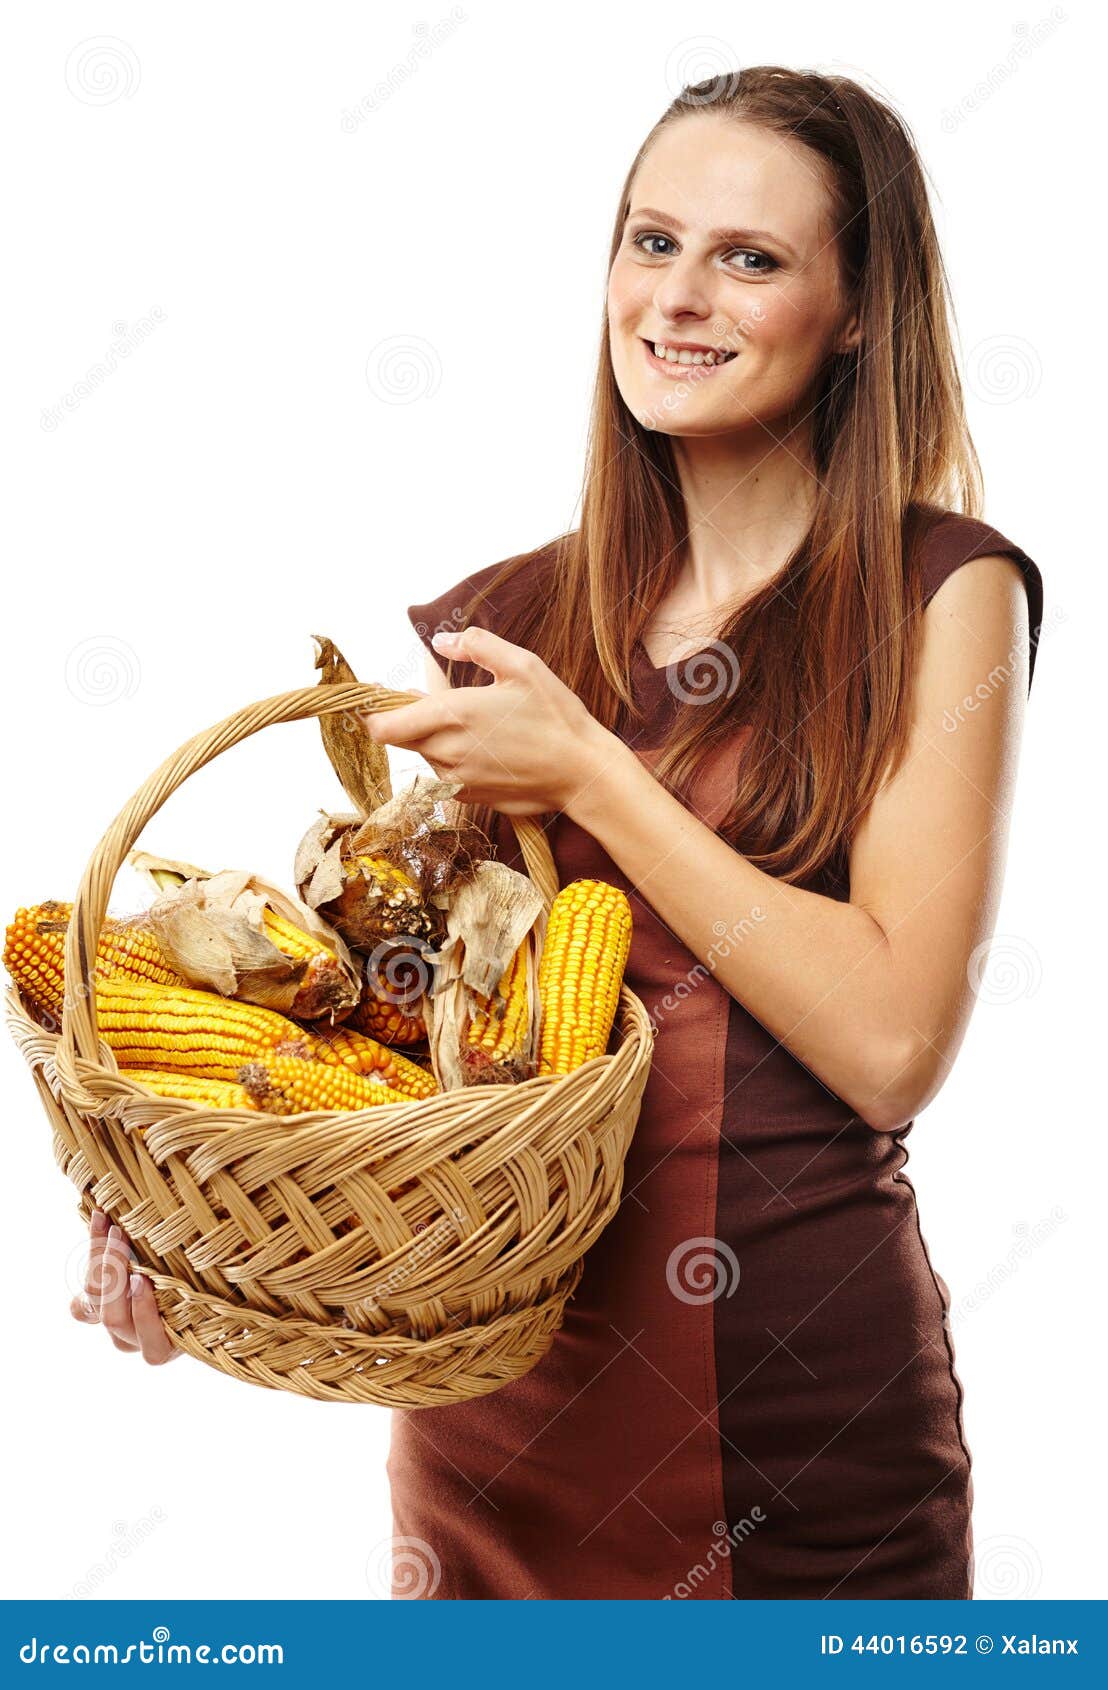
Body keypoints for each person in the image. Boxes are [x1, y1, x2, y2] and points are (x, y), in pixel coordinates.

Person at [75, 64, 1044, 1601]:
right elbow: (388, 1040)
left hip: (792, 1434)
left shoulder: (943, 592)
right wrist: (201, 1239)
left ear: (858, 311)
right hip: (485, 1434)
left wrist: (593, 772)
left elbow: (891, 1041)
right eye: (652, 241)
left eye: (752, 257)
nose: (679, 297)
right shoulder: (508, 619)